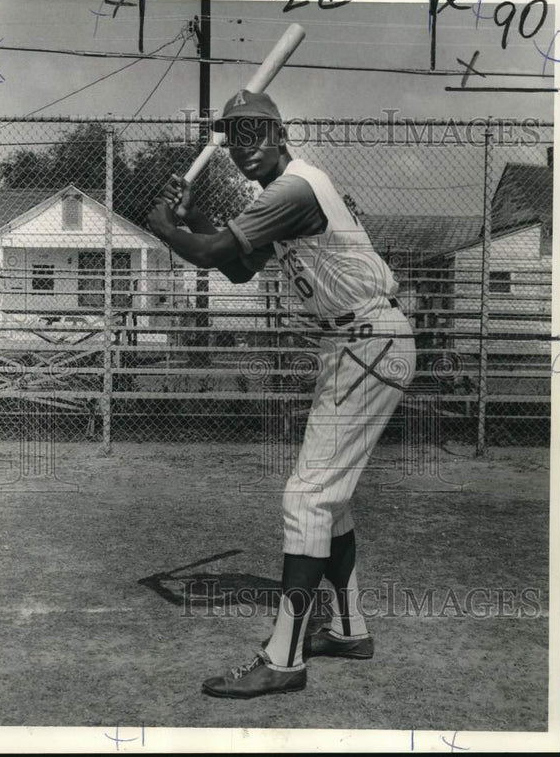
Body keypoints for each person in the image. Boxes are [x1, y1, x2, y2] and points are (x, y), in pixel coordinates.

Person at [147, 90, 416, 699]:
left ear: (277, 133)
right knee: (330, 500)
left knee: (307, 497)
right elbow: (239, 267)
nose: (243, 147)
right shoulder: (280, 197)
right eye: (233, 135)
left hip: (367, 338)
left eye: (254, 133)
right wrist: (189, 221)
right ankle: (346, 627)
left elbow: (214, 254)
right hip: (352, 342)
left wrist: (168, 228)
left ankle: (284, 657)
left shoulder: (295, 188)